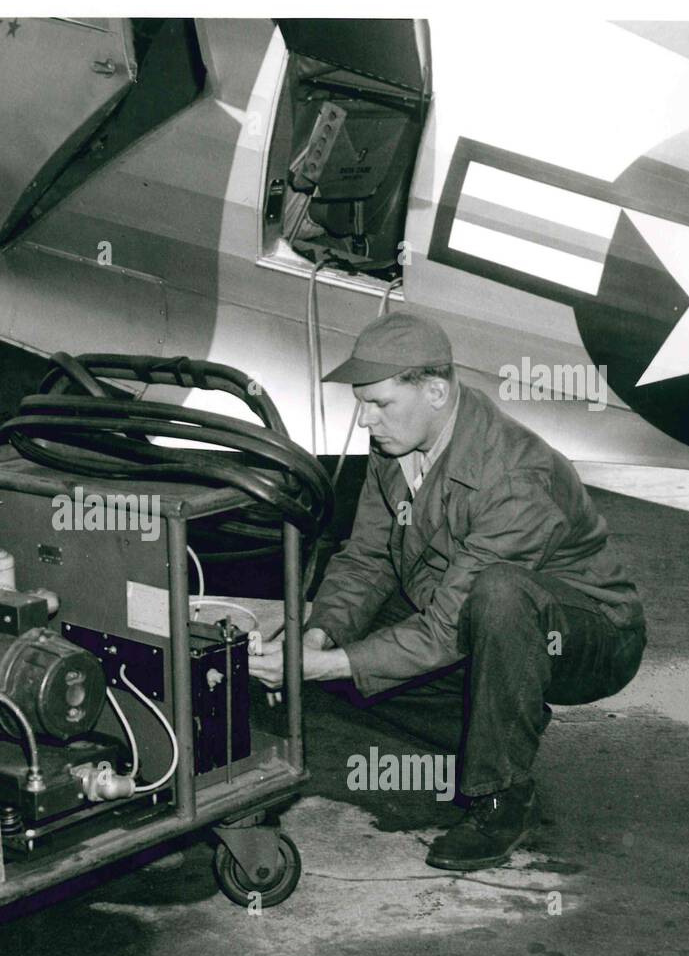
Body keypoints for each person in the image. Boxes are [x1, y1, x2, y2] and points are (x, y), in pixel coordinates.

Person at [249, 311, 646, 870]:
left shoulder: (514, 474)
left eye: (379, 403)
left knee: (498, 596)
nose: (364, 420)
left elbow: (445, 628)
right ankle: (491, 719)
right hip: (473, 612)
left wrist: (319, 667)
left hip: (588, 633)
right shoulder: (398, 447)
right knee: (341, 649)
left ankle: (501, 796)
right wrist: (315, 640)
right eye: (361, 403)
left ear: (435, 391)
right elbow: (367, 560)